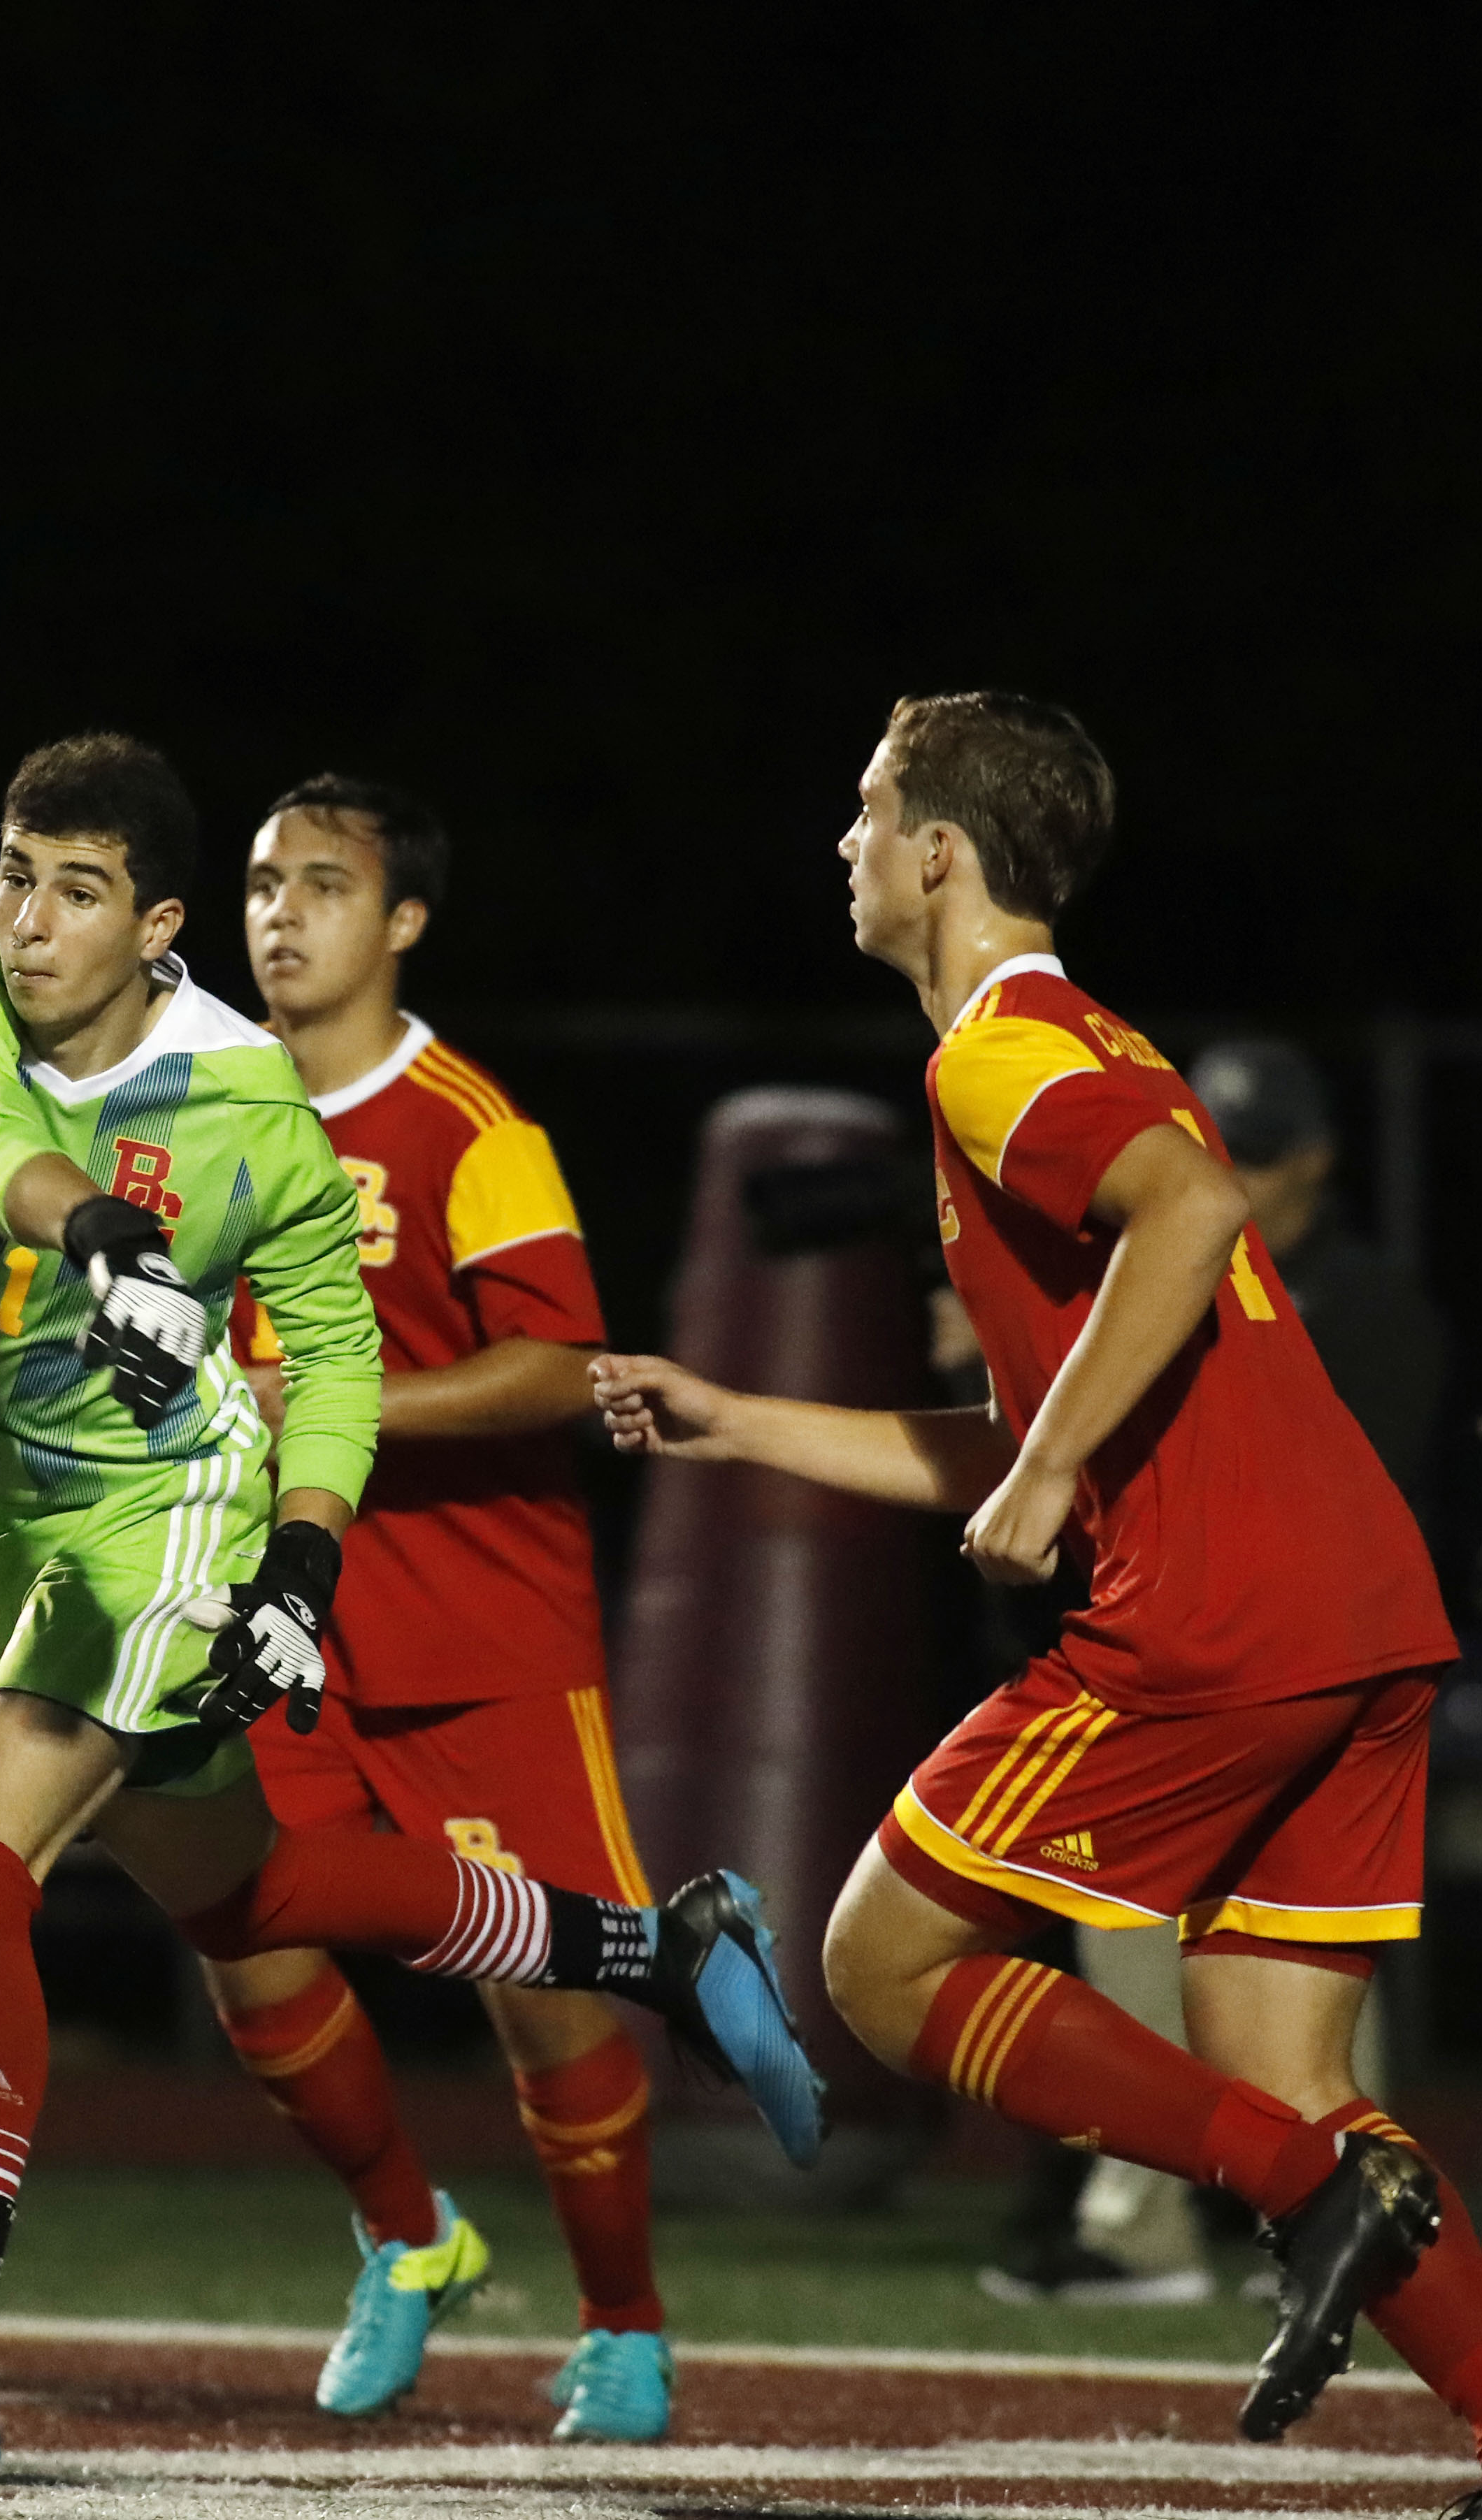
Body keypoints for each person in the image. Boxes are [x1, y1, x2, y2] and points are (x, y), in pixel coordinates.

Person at [0, 732, 824, 2484]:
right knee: (253, 1899)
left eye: (77, 893)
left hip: (162, 1514)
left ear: (153, 925)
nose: (27, 922)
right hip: (3, 1528)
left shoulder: (251, 1097)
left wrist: (305, 1551)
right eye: (14, 876)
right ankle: (659, 1947)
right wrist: (97, 1228)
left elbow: (329, 1357)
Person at [593, 690, 1482, 2454]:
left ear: (935, 851)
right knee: (1276, 2067)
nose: (841, 844)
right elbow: (1021, 1424)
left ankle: (1307, 2190)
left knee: (878, 1964)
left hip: (1214, 1613)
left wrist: (1064, 1462)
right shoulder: (1083, 1040)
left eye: (863, 812)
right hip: (1354, 1609)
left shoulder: (990, 1051)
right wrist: (741, 1420)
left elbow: (1194, 1221)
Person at [206, 774, 673, 2439]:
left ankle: (622, 2324)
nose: (280, 911)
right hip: (283, 1622)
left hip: (480, 1631)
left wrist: (327, 1408)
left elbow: (561, 1360)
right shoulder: (201, 1104)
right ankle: (408, 2240)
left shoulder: (470, 1124)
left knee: (539, 1994)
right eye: (262, 880)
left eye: (323, 885)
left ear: (400, 922)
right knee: (241, 1933)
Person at [1189, 1038, 1451, 1519]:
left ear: (1314, 1159)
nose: (1223, 1171)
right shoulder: (1152, 1273)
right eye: (1206, 1147)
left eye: (1250, 1153)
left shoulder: (1375, 1307)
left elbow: (1348, 1497)